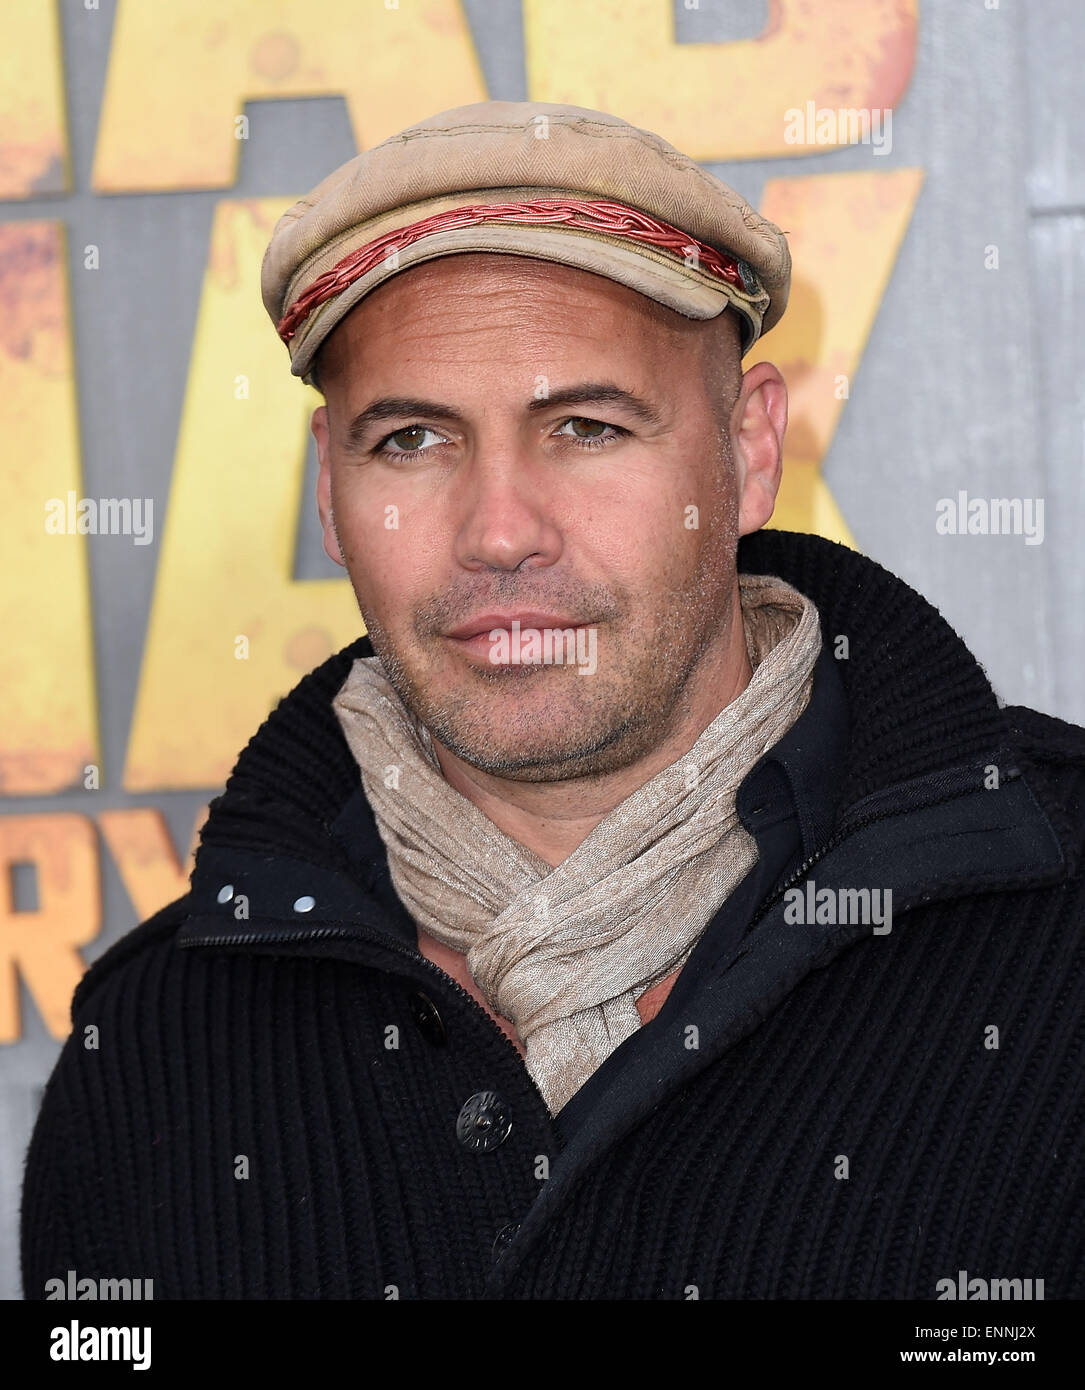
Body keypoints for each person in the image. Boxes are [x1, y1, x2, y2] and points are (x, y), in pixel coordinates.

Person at [21, 101, 1084, 1300]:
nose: (499, 533)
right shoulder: (153, 1053)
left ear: (746, 450)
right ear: (329, 491)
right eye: (414, 439)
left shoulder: (1057, 929)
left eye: (584, 426)